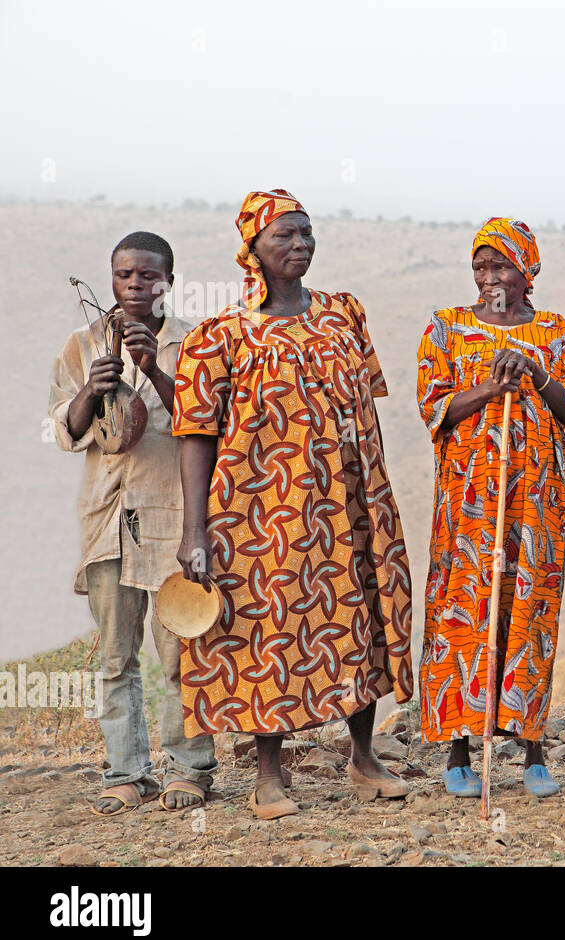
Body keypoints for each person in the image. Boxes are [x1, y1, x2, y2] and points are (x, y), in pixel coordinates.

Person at [172, 189, 413, 820]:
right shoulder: (218, 335)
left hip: (350, 502)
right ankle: (269, 778)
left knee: (362, 620)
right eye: (284, 236)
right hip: (257, 512)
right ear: (251, 248)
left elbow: (366, 405)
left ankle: (364, 760)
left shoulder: (343, 316)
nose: (300, 245)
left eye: (307, 234)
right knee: (266, 629)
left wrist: (370, 498)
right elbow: (195, 434)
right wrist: (195, 529)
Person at [416, 217, 565, 799]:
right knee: (464, 614)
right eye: (481, 267)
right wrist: (493, 388)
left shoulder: (562, 334)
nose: (490, 278)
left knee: (529, 613)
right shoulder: (446, 330)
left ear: (528, 271)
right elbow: (434, 409)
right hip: (467, 506)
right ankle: (460, 752)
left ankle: (533, 750)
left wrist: (536, 375)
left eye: (503, 267)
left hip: (537, 504)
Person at [50, 232, 218, 816]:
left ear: (168, 281)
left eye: (149, 277)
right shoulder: (82, 345)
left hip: (173, 520)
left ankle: (190, 767)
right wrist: (90, 392)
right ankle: (126, 771)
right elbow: (64, 431)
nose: (136, 286)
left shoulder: (193, 344)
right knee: (116, 655)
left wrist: (153, 369)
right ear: (112, 278)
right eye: (125, 276)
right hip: (106, 520)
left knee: (180, 654)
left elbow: (207, 423)